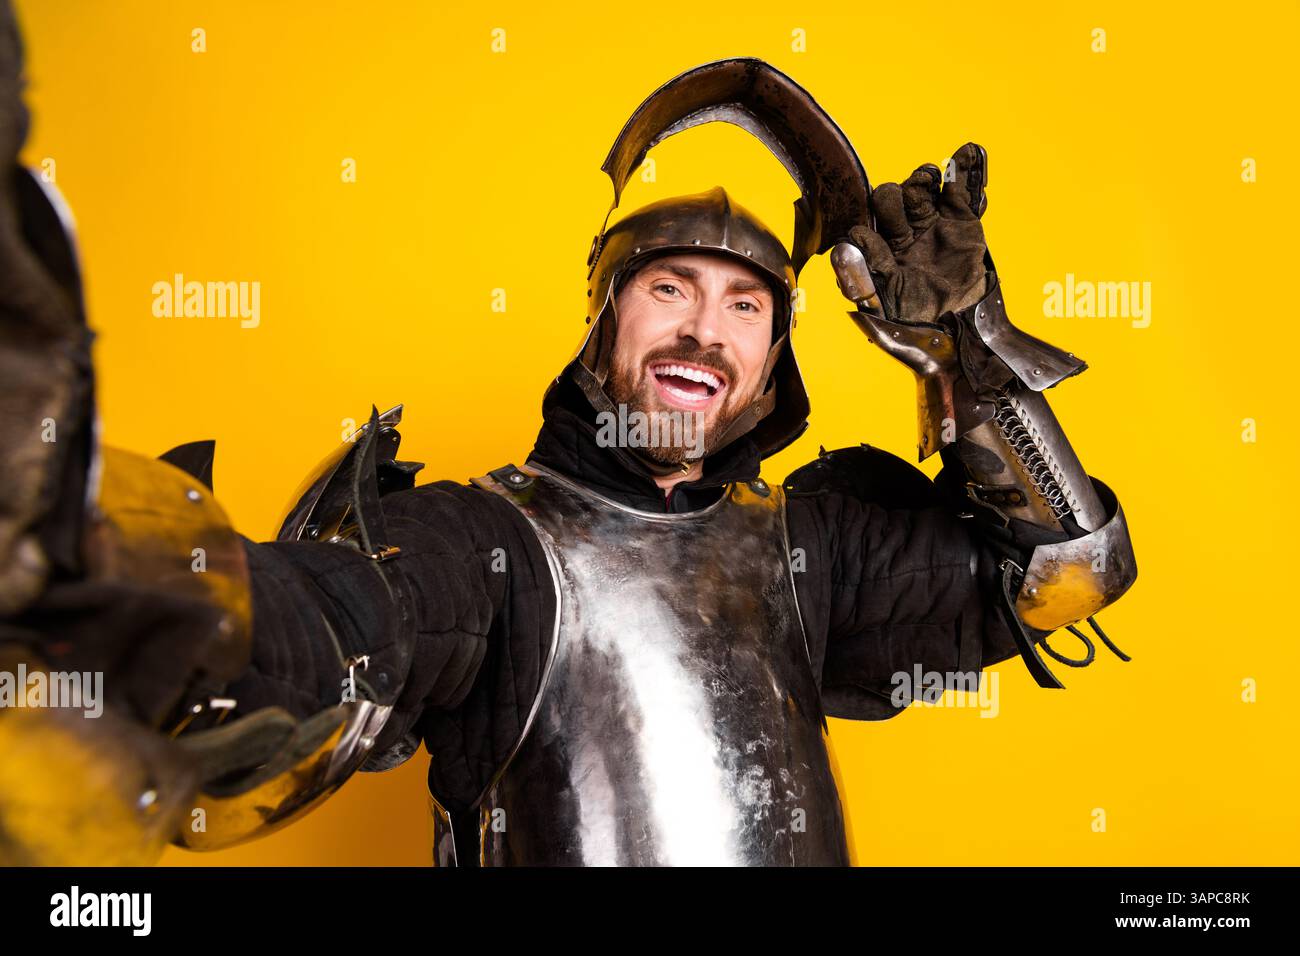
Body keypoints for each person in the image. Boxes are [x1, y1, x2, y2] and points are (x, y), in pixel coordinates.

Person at [0, 28, 1135, 866]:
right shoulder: (482, 547)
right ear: (603, 320)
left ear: (778, 357)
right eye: (669, 287)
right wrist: (110, 577)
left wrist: (964, 351)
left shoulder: (810, 550)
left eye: (748, 307)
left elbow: (1067, 568)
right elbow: (337, 624)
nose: (705, 326)